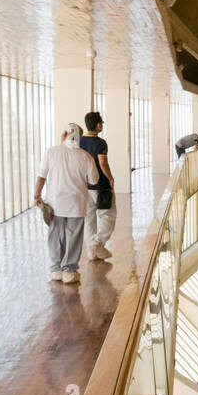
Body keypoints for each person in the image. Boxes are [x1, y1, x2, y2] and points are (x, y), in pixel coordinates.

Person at [34, 124, 99, 283]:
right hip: (77, 203)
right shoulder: (85, 156)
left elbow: (41, 176)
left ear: (64, 134)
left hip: (55, 203)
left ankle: (56, 268)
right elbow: (93, 180)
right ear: (80, 137)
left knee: (55, 235)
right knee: (74, 236)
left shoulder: (51, 152)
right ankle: (69, 270)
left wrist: (37, 195)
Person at [80, 111, 115, 261]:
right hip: (100, 185)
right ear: (97, 125)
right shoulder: (100, 143)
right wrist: (110, 178)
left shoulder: (79, 142)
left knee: (89, 219)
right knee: (108, 215)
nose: (102, 125)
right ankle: (98, 242)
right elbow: (102, 163)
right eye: (101, 122)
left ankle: (91, 251)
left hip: (84, 185)